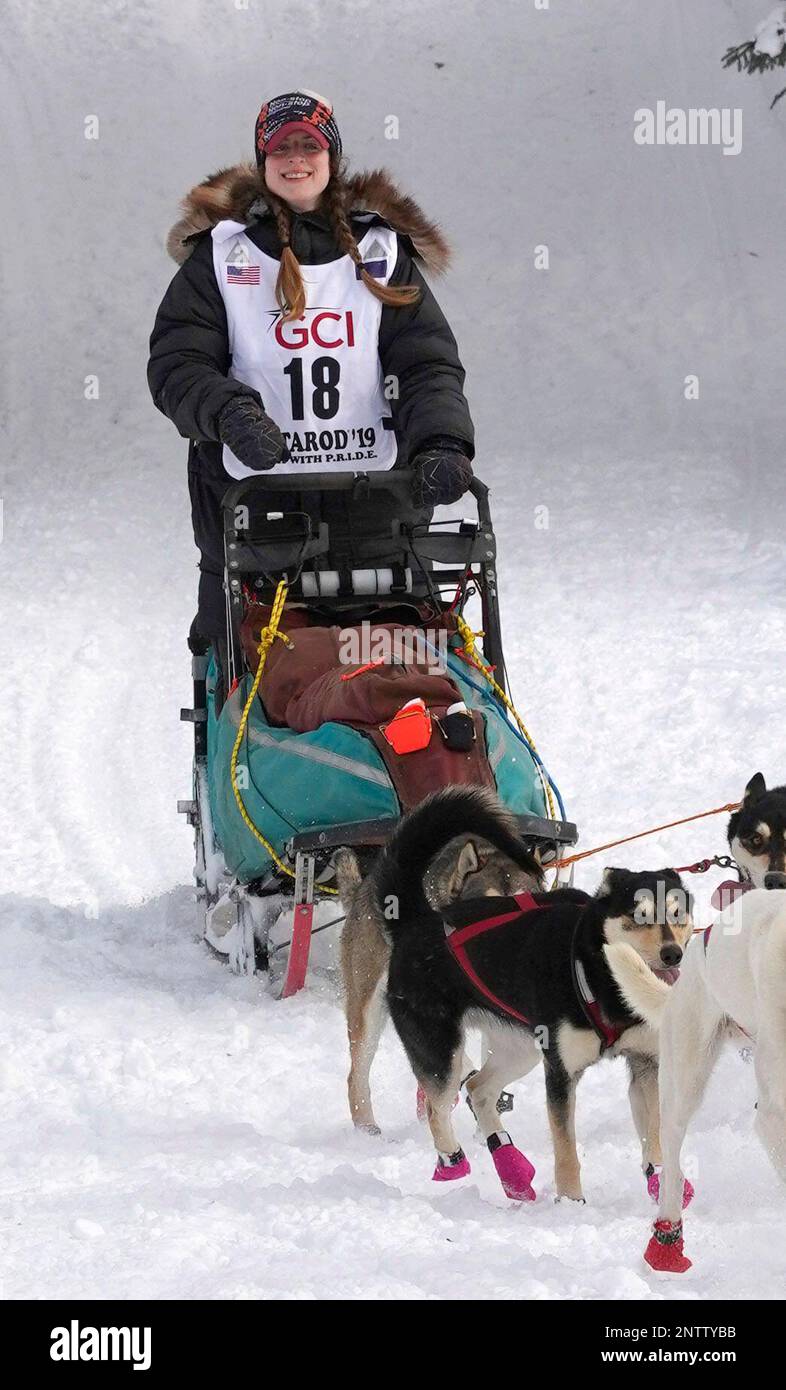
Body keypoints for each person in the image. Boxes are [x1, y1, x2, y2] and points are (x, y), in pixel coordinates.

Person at [146, 89, 476, 652]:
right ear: (262, 160)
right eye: (280, 147)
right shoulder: (223, 258)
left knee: (402, 682)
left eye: (309, 145)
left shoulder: (382, 252)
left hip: (379, 515)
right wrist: (229, 414)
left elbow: (424, 363)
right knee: (249, 691)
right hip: (252, 517)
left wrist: (443, 442)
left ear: (333, 156)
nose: (295, 158)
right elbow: (178, 364)